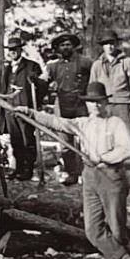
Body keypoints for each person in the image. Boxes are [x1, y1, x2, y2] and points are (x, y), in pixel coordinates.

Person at [0, 81, 130, 259]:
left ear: (105, 103)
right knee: (93, 230)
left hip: (112, 178)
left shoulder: (115, 123)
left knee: (117, 231)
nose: (96, 107)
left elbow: (127, 150)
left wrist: (103, 157)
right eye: (92, 103)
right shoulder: (83, 124)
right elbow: (56, 122)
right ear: (88, 105)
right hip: (90, 177)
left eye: (99, 102)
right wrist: (29, 112)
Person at [0, 32, 48, 181]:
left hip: (25, 109)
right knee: (15, 141)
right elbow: (3, 89)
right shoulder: (6, 69)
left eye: (15, 49)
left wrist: (36, 83)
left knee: (27, 140)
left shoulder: (32, 66)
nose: (12, 52)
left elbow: (42, 88)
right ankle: (18, 168)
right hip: (10, 109)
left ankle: (28, 169)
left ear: (20, 50)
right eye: (10, 50)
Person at [44, 32, 92, 184]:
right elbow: (43, 81)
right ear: (58, 48)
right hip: (62, 103)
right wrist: (36, 80)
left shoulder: (85, 62)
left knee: (87, 140)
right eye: (62, 45)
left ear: (73, 46)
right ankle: (72, 173)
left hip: (81, 103)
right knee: (65, 142)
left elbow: (96, 78)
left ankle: (89, 172)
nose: (66, 47)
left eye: (68, 45)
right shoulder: (53, 66)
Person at [90, 32, 130, 127]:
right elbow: (92, 88)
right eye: (106, 44)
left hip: (123, 105)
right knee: (104, 136)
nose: (110, 47)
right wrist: (93, 109)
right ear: (102, 46)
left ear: (116, 44)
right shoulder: (97, 65)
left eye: (112, 43)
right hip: (104, 106)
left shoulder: (127, 62)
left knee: (126, 136)